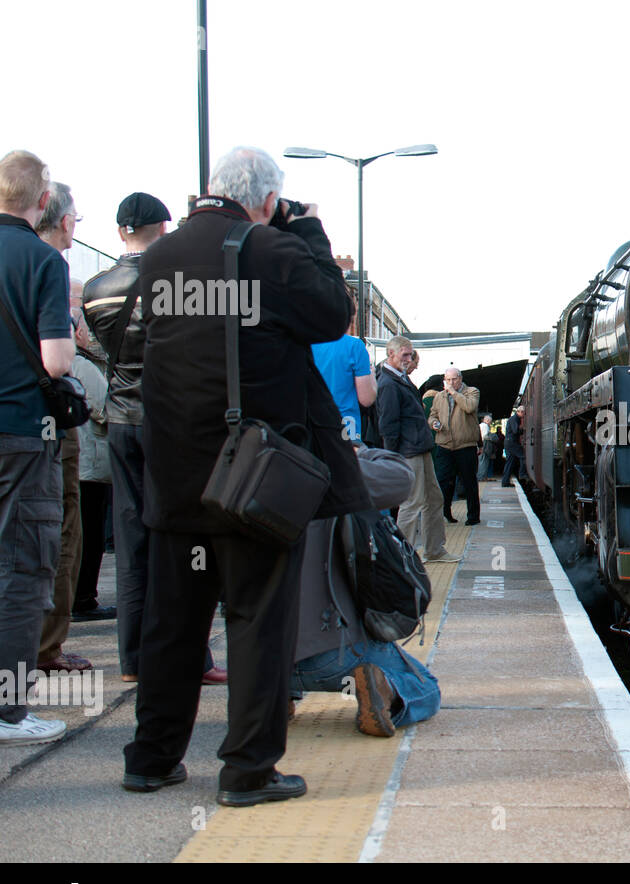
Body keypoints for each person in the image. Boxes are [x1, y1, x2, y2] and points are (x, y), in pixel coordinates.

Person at [122, 146, 368, 806]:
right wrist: (307, 228)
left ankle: (151, 758)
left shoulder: (159, 258)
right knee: (257, 622)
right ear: (265, 201)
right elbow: (330, 315)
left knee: (173, 625)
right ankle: (247, 771)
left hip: (175, 480)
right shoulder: (271, 252)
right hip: (252, 481)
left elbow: (136, 348)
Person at [85, 192, 225, 685]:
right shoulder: (180, 284)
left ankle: (133, 659)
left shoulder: (94, 289)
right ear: (166, 229)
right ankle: (194, 656)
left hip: (122, 421)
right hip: (172, 422)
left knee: (131, 540)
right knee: (189, 539)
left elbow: (108, 352)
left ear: (121, 231)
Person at [0, 150, 73, 745]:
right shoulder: (41, 261)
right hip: (24, 435)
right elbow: (55, 359)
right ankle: (7, 711)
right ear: (41, 200)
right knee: (23, 571)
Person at [293, 447, 440, 736]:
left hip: (259, 659)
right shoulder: (333, 471)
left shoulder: (245, 468)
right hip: (332, 656)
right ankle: (386, 686)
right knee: (426, 688)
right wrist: (355, 452)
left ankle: (278, 698)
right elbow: (401, 478)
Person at [33, 183, 92, 674]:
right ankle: (46, 646)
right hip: (45, 422)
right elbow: (57, 361)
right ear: (61, 220)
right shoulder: (48, 265)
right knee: (60, 527)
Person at [376, 335, 457, 563]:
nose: (409, 359)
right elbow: (388, 425)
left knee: (433, 499)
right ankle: (404, 557)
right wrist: (392, 458)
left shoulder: (399, 378)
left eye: (410, 354)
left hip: (419, 447)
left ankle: (434, 549)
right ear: (390, 354)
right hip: (408, 451)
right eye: (404, 354)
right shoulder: (388, 383)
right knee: (412, 503)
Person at [70, 294, 115, 621]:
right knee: (90, 535)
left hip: (81, 462)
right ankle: (84, 598)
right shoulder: (82, 365)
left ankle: (79, 597)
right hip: (91, 464)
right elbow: (106, 408)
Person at [310, 288, 375, 444]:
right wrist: (372, 377)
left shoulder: (304, 344)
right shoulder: (355, 346)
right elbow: (366, 399)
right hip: (346, 426)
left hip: (311, 424)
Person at [427, 366, 481, 526]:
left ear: (460, 378)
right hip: (444, 445)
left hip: (465, 446)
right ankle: (445, 513)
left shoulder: (472, 392)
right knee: (444, 482)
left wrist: (453, 393)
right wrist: (434, 423)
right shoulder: (439, 397)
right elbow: (432, 415)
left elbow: (469, 407)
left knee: (469, 482)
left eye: (454, 379)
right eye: (448, 380)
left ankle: (473, 516)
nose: (450, 382)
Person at [501, 403, 526, 487]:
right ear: (520, 412)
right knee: (523, 456)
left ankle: (505, 482)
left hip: (509, 442)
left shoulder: (514, 419)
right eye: (523, 413)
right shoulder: (514, 419)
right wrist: (521, 428)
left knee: (509, 463)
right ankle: (522, 474)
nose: (524, 415)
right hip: (512, 443)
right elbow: (515, 431)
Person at [476, 413, 493, 480]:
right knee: (483, 462)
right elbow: (485, 436)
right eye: (490, 422)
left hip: (479, 445)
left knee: (480, 461)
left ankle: (480, 476)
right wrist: (491, 438)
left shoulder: (480, 425)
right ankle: (481, 477)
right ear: (488, 421)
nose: (490, 424)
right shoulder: (485, 426)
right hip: (484, 446)